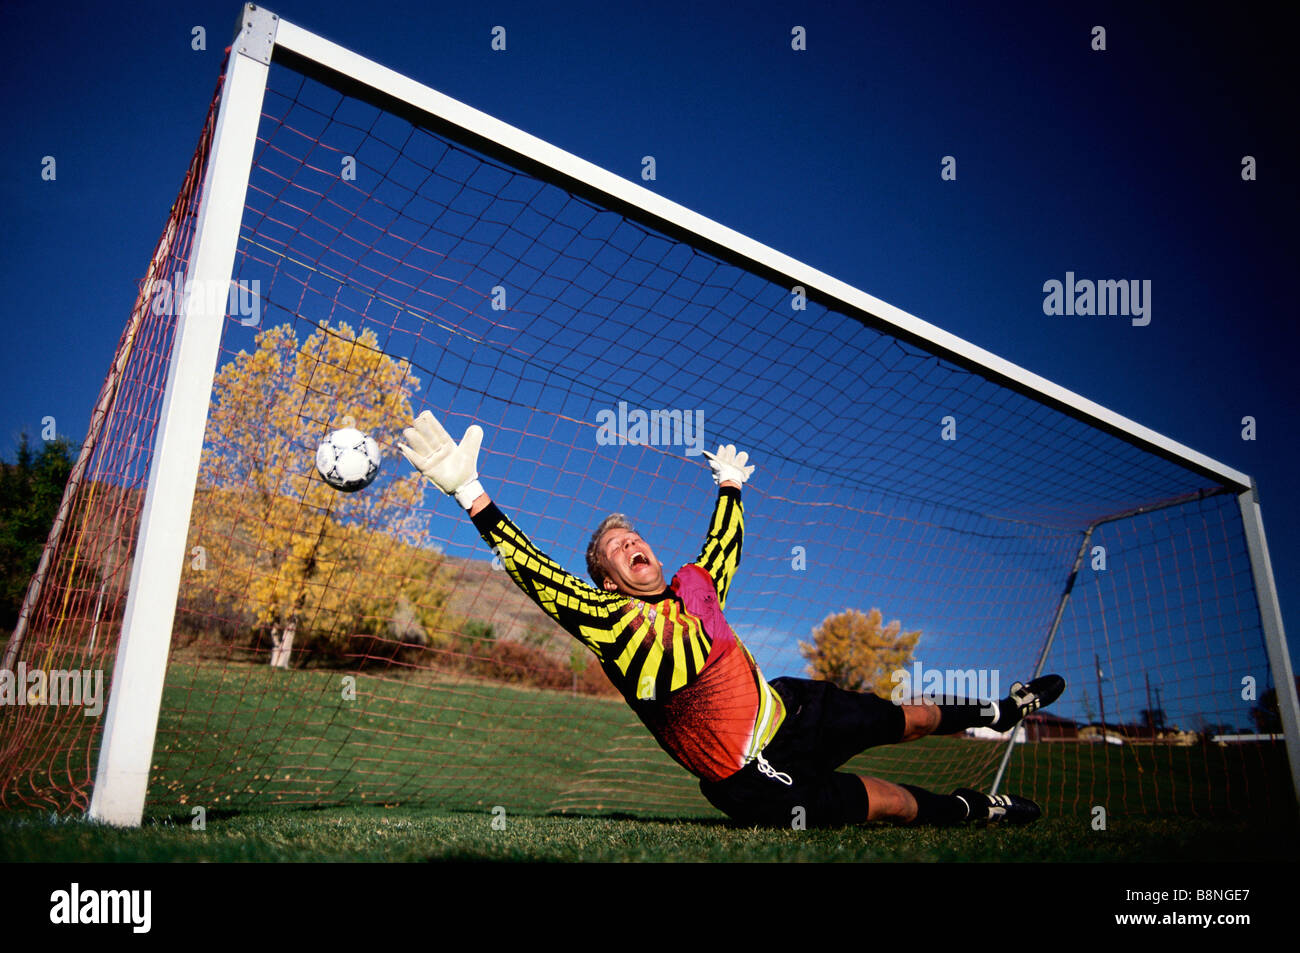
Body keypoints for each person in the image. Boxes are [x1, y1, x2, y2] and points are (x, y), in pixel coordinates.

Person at [400, 411, 1065, 828]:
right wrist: (470, 492)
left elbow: (721, 548)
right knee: (886, 800)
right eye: (614, 548)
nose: (633, 544)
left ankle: (997, 712)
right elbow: (538, 574)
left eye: (635, 536)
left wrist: (730, 488)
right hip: (747, 772)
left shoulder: (693, 587)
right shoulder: (609, 621)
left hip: (790, 707)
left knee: (908, 717)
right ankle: (979, 808)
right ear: (605, 577)